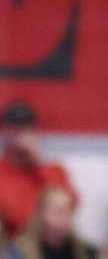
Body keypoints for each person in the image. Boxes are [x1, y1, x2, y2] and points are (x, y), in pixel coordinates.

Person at [0, 99, 76, 236]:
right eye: (15, 128)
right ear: (5, 132)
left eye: (26, 128)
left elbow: (70, 206)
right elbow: (15, 218)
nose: (21, 135)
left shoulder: (55, 171)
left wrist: (36, 163)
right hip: (12, 247)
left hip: (51, 244)